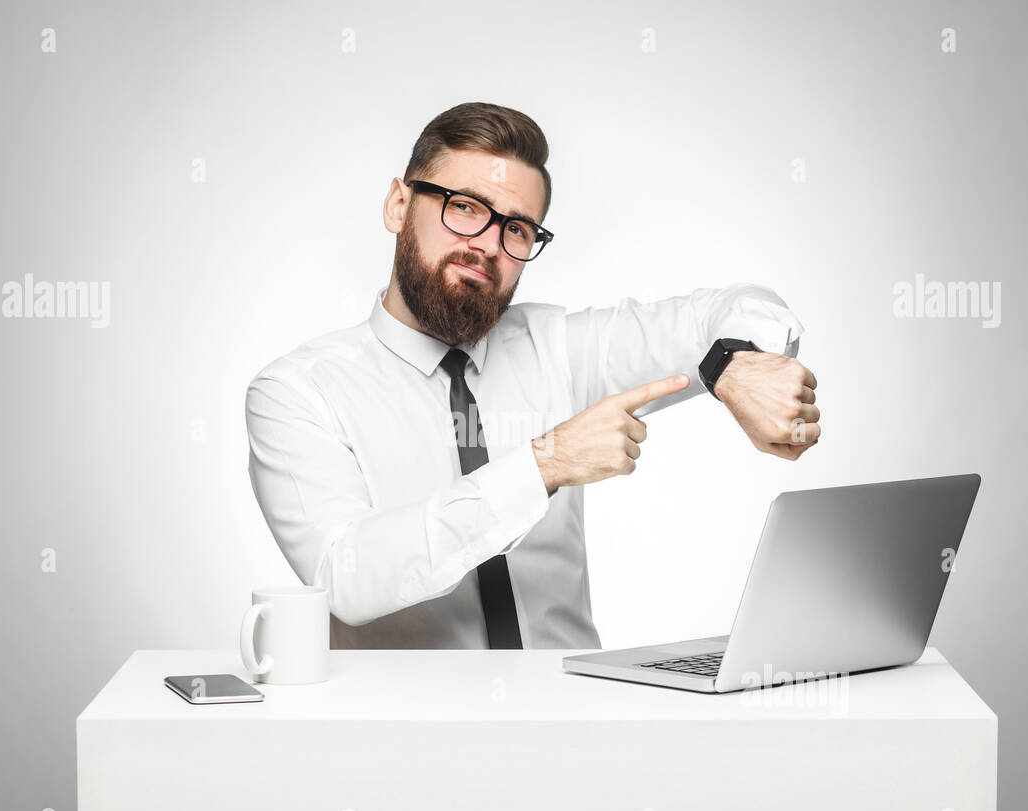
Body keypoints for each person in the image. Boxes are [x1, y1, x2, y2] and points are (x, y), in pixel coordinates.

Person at [246, 102, 819, 650]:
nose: (487, 245)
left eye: (516, 229)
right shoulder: (299, 392)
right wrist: (544, 464)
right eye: (464, 206)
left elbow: (732, 306)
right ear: (399, 204)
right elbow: (347, 578)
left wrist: (737, 363)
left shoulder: (561, 348)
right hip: (407, 735)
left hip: (572, 719)